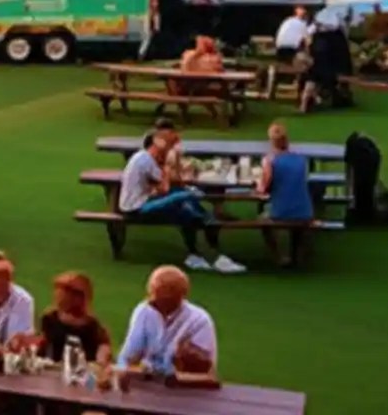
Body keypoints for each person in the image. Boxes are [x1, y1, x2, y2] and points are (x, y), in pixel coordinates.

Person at [118, 135, 246, 274]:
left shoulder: (140, 157)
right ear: (153, 147)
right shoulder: (146, 160)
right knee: (183, 196)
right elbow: (165, 188)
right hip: (137, 209)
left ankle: (196, 254)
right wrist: (167, 168)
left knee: (185, 213)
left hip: (139, 203)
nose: (163, 152)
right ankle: (212, 247)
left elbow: (158, 188)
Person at [118, 266, 218, 378]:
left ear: (181, 297)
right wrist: (126, 368)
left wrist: (185, 357)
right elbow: (128, 356)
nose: (152, 302)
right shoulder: (144, 310)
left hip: (184, 387)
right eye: (152, 294)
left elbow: (205, 370)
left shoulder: (199, 321)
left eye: (162, 299)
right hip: (149, 381)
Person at [257, 123, 314, 266]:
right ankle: (297, 254)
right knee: (297, 219)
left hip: (281, 212)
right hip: (305, 211)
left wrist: (258, 182)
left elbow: (263, 188)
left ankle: (278, 256)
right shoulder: (301, 159)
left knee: (262, 220)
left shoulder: (269, 161)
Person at [36, 272, 112, 364]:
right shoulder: (50, 318)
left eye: (62, 292)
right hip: (53, 369)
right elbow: (41, 345)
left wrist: (101, 359)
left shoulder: (92, 325)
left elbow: (103, 350)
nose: (57, 295)